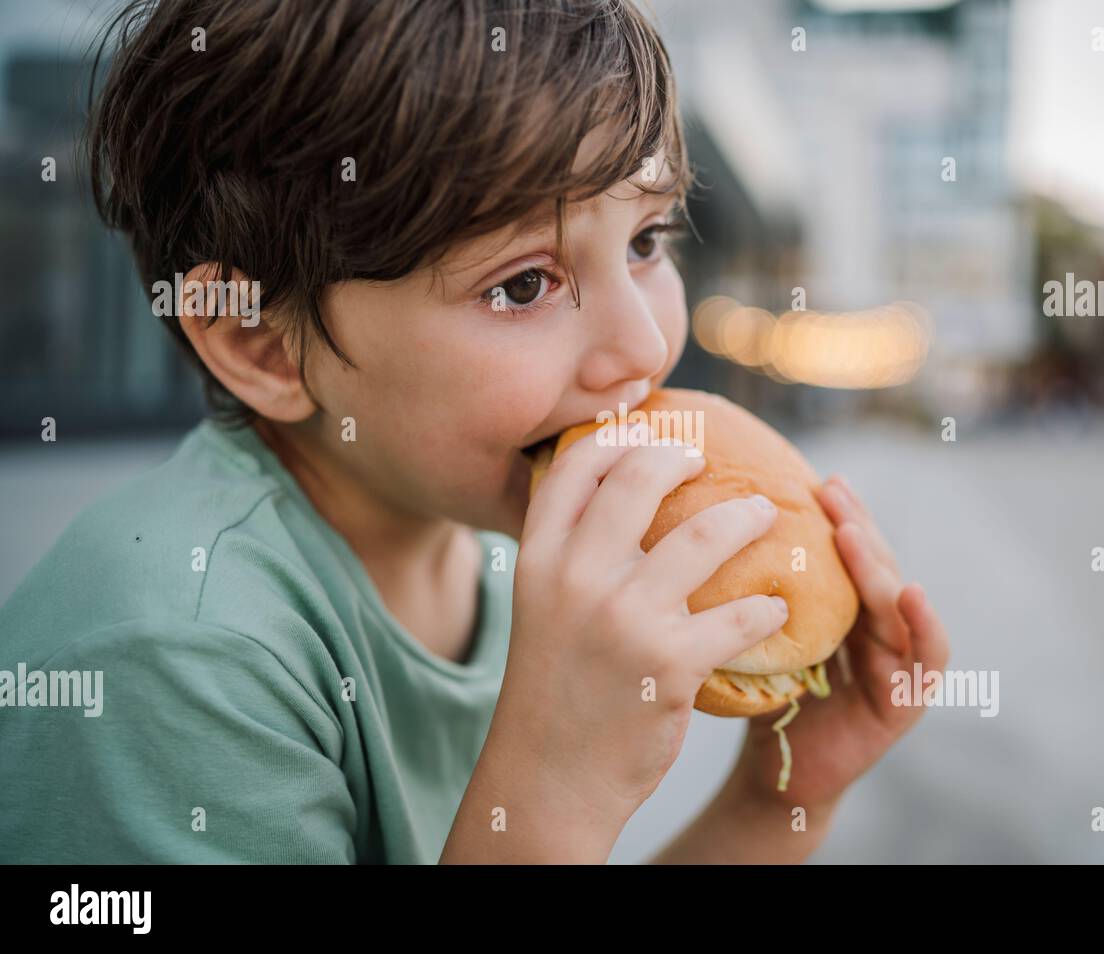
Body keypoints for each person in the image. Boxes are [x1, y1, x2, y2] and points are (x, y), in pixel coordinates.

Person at [0, 0, 948, 863]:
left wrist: (776, 802)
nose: (648, 343)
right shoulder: (174, 656)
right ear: (264, 342)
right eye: (523, 284)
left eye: (647, 240)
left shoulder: (496, 565)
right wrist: (555, 783)